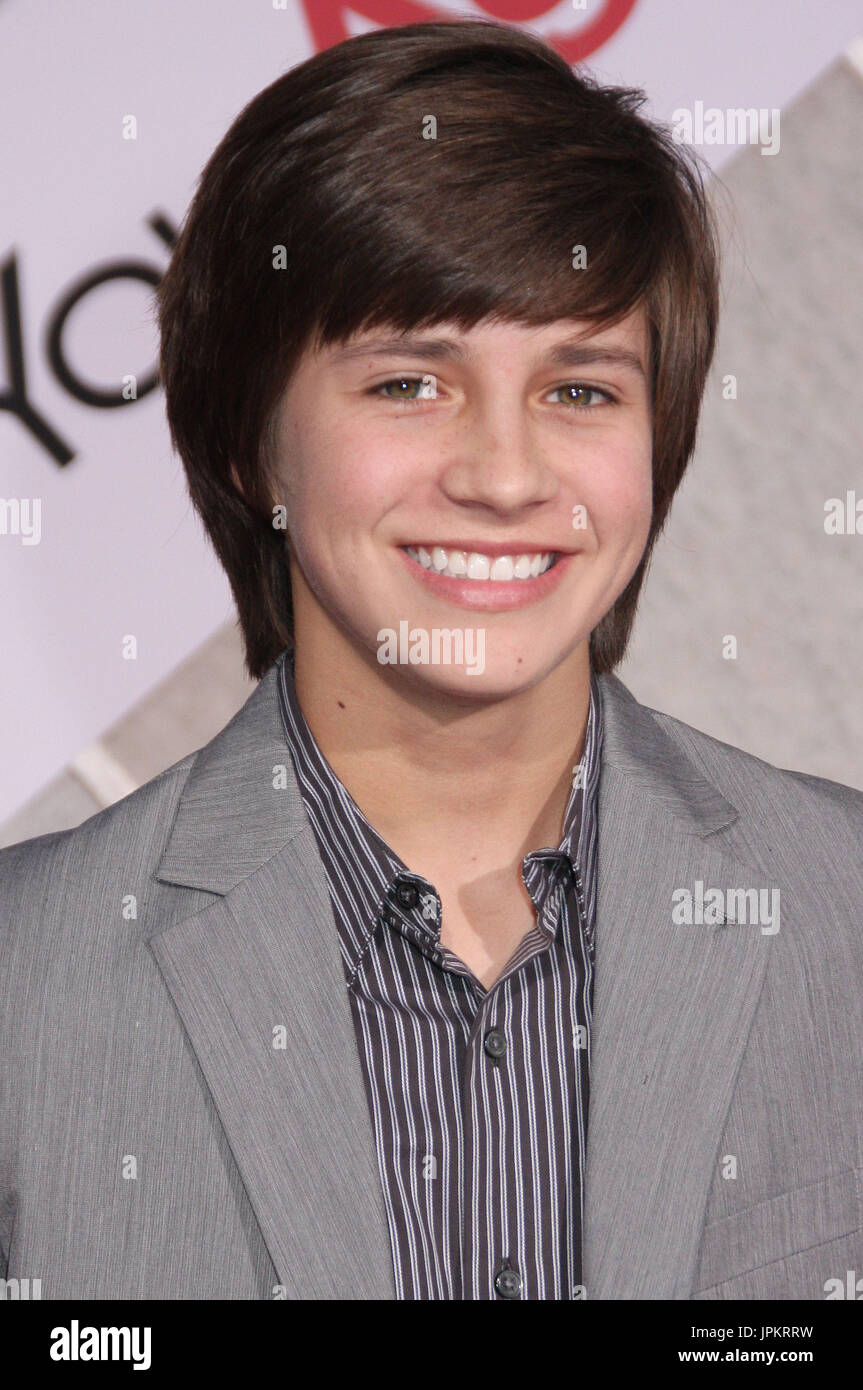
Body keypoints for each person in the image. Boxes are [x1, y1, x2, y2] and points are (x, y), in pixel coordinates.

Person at [1, 18, 861, 1302]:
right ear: (252, 444)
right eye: (409, 383)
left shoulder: (838, 911)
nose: (504, 476)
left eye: (580, 390)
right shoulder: (28, 982)